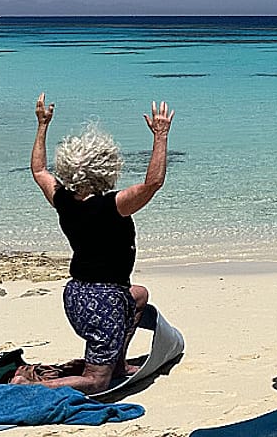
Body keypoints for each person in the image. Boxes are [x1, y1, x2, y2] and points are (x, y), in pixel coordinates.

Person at [17, 94, 174, 393]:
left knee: (139, 295)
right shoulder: (113, 206)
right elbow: (153, 183)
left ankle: (116, 362)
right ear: (107, 166)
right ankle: (29, 386)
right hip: (103, 301)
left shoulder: (63, 200)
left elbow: (39, 171)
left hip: (76, 294)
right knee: (95, 381)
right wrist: (161, 136)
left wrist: (42, 125)